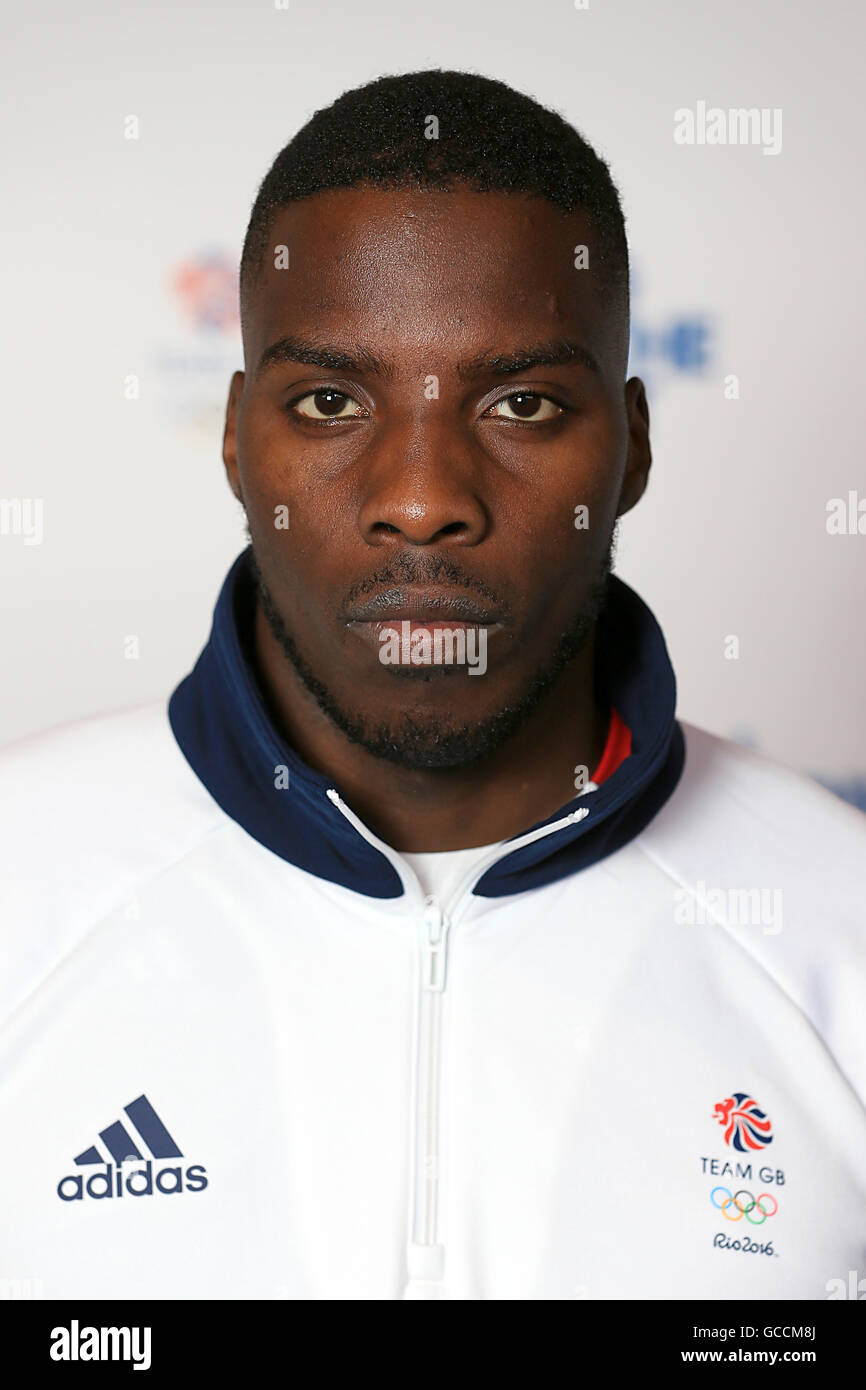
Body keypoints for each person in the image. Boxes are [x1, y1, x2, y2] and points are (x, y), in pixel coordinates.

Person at [2, 69, 864, 1302]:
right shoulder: (19, 889)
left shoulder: (836, 930)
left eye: (519, 402)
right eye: (331, 401)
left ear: (626, 448)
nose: (420, 496)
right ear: (242, 441)